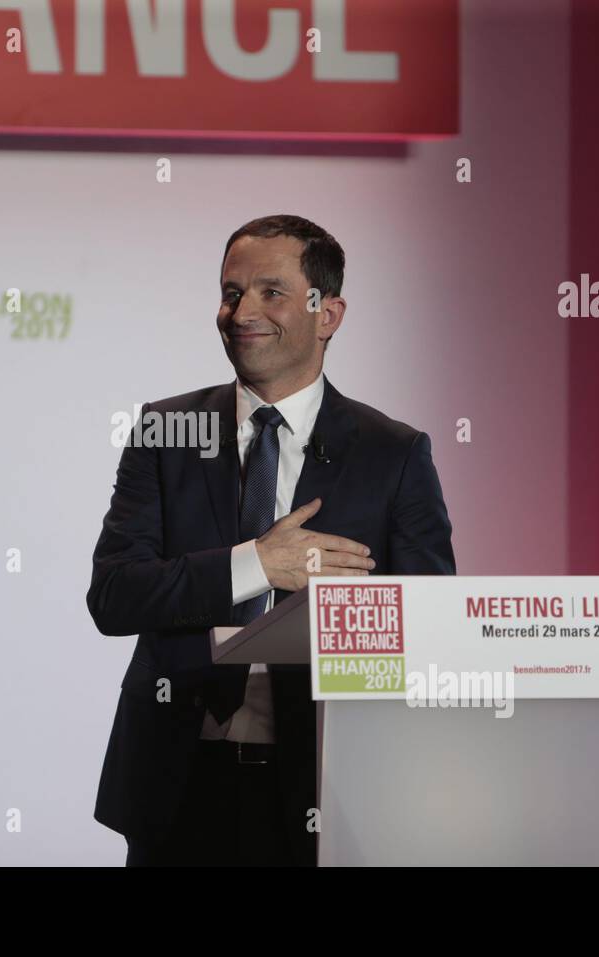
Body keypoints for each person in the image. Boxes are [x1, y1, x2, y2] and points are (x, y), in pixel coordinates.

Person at [87, 214, 456, 866]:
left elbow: (428, 632)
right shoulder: (164, 430)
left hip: (321, 794)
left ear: (328, 313)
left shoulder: (392, 454)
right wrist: (257, 563)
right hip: (177, 785)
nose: (241, 311)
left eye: (270, 291)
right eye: (231, 292)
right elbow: (115, 595)